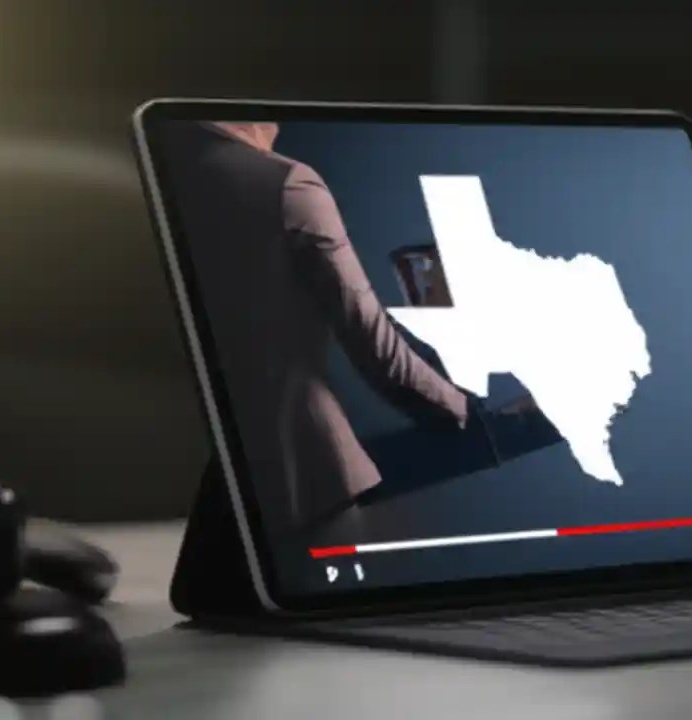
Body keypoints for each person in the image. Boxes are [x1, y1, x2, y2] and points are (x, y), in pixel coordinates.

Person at [158, 121, 477, 535]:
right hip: (303, 473)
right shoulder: (286, 183)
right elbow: (375, 347)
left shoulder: (170, 170)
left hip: (193, 467)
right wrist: (462, 409)